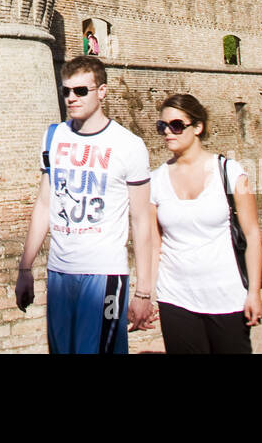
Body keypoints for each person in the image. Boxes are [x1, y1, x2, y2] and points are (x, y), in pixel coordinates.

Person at [15, 55, 155, 353]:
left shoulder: (129, 145)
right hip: (59, 273)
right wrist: (25, 268)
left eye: (80, 91)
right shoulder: (53, 136)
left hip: (105, 275)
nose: (71, 98)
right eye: (65, 91)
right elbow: (44, 204)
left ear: (101, 91)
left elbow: (143, 221)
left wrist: (144, 291)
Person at [146, 93, 262, 353]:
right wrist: (147, 293)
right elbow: (154, 246)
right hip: (175, 297)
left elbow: (252, 235)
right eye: (161, 126)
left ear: (197, 127)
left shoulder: (230, 172)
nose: (168, 132)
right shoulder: (155, 181)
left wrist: (253, 291)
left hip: (227, 296)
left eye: (176, 125)